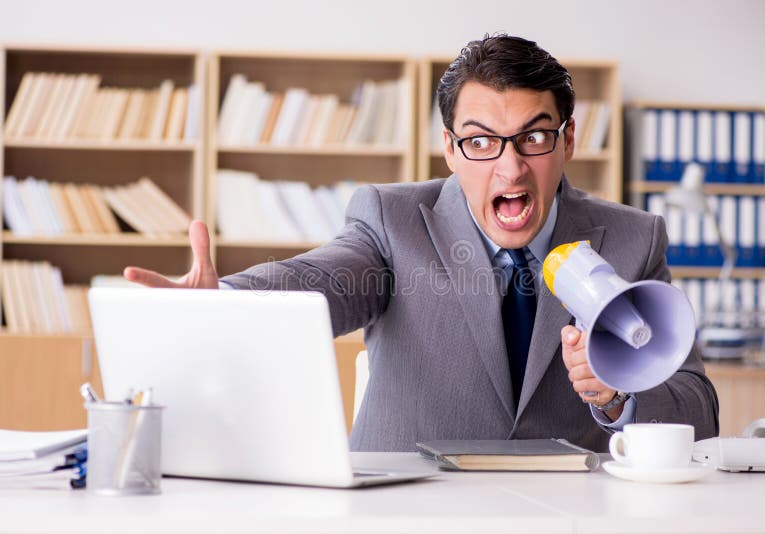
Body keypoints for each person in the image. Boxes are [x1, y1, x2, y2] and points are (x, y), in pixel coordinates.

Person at [125, 34, 719, 452]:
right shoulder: (394, 220)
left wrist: (620, 396)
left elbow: (699, 409)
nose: (509, 170)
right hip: (406, 513)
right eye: (481, 141)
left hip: (567, 517)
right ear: (449, 148)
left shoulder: (633, 238)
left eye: (533, 137)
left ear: (568, 139)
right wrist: (223, 299)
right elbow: (321, 279)